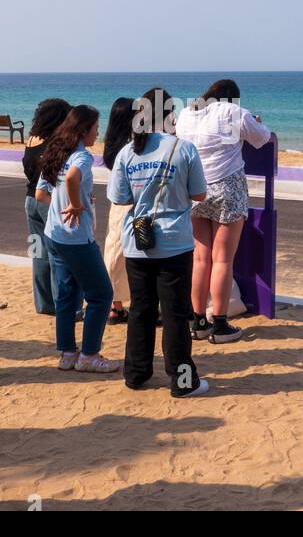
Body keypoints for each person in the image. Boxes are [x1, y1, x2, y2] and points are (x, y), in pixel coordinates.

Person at [107, 88, 210, 397]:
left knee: (141, 309)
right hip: (174, 244)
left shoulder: (128, 152)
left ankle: (136, 375)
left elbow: (120, 198)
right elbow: (200, 194)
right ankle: (181, 382)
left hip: (138, 243)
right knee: (176, 313)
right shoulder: (184, 149)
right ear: (168, 114)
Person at [174, 79, 271, 344]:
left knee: (200, 259)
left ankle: (198, 322)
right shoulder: (233, 112)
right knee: (223, 260)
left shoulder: (185, 114)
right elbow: (262, 137)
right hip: (227, 188)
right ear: (232, 98)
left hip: (195, 190)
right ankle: (219, 323)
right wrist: (256, 120)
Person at [34, 105, 118, 373]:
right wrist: (75, 204)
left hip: (53, 234)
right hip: (76, 239)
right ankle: (89, 355)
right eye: (95, 127)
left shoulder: (56, 154)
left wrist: (65, 205)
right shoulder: (81, 157)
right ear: (83, 130)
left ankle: (68, 353)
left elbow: (40, 194)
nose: (98, 133)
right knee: (101, 294)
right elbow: (71, 178)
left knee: (66, 296)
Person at [22, 98, 71, 316]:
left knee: (38, 252)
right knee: (57, 254)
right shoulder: (55, 142)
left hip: (30, 200)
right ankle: (62, 304)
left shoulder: (32, 139)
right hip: (48, 201)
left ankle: (43, 304)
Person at [100, 97, 135, 324]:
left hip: (117, 202)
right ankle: (122, 304)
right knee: (133, 252)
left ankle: (115, 305)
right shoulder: (132, 144)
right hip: (132, 200)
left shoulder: (111, 143)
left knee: (114, 249)